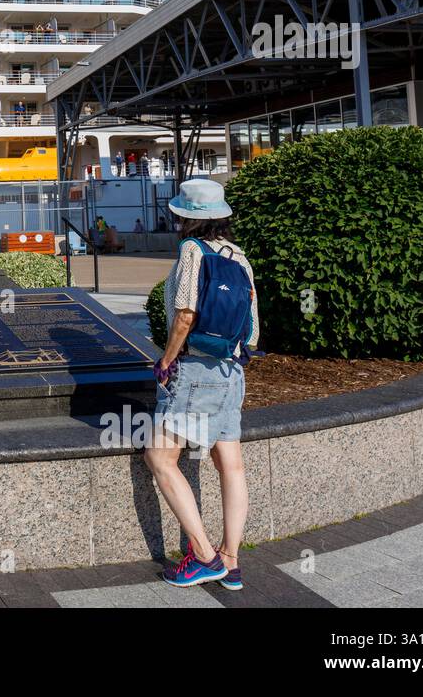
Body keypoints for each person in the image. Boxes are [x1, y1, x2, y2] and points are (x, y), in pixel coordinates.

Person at [145, 178, 260, 591]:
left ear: (183, 216)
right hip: (233, 371)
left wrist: (167, 359)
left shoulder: (193, 251)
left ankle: (204, 555)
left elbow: (185, 315)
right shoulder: (239, 256)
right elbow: (252, 329)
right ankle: (231, 560)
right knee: (230, 463)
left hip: (196, 371)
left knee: (160, 457)